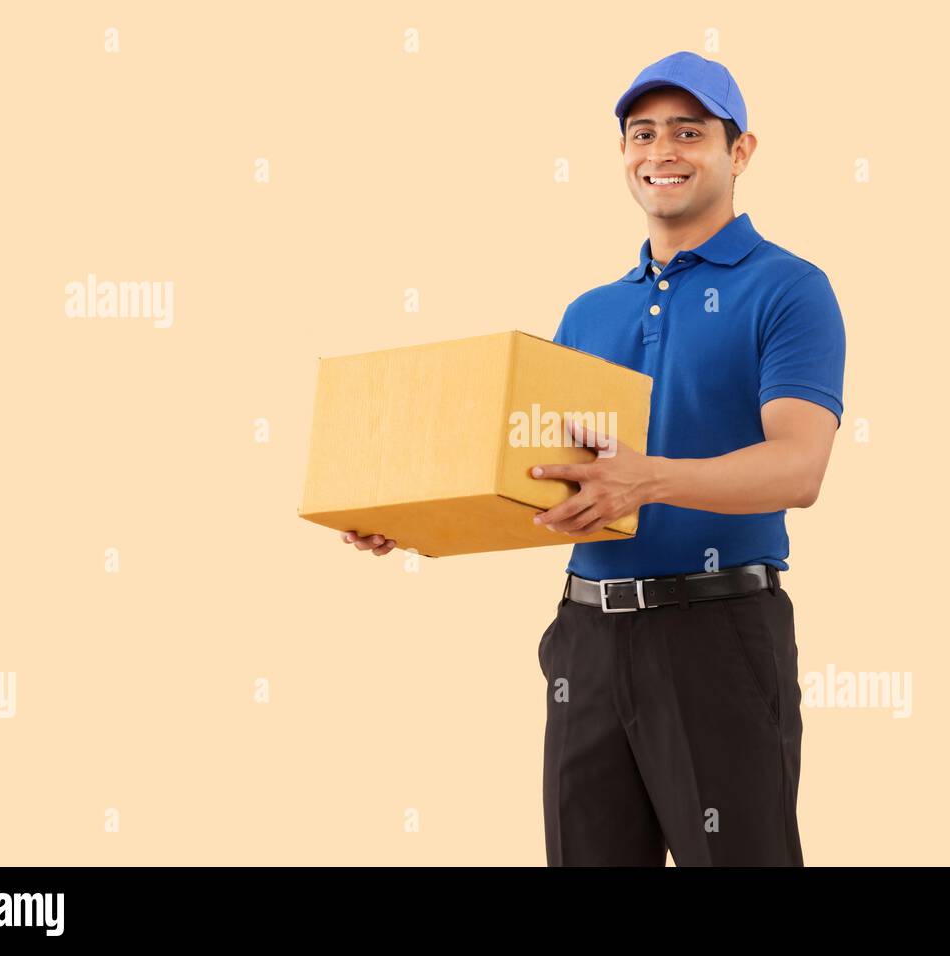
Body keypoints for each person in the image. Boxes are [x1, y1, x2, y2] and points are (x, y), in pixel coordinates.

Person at [344, 51, 846, 867]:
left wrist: (649, 477)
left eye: (689, 132)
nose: (662, 151)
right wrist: (409, 517)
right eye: (642, 134)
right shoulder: (590, 311)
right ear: (623, 153)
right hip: (586, 639)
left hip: (716, 634)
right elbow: (536, 479)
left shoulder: (789, 288)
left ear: (741, 151)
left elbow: (799, 468)